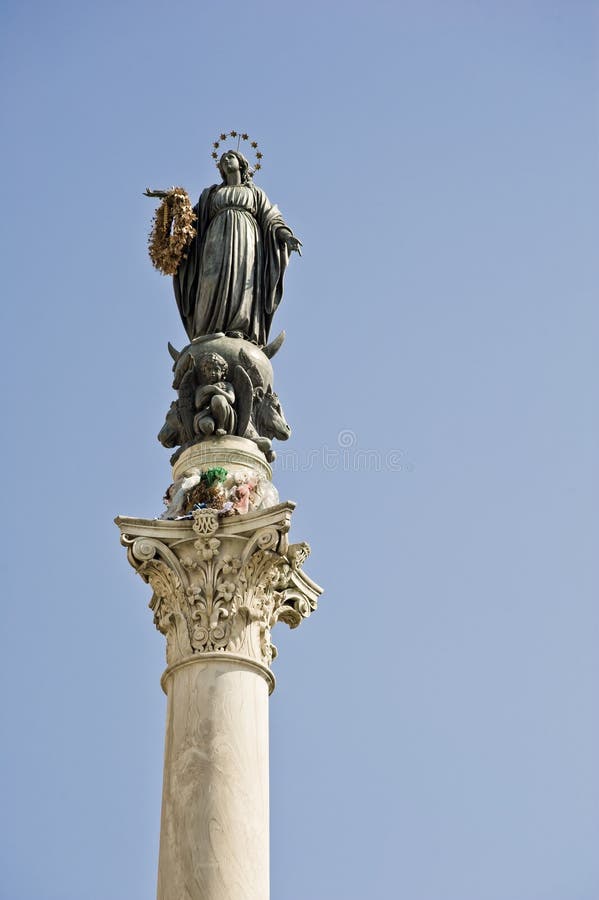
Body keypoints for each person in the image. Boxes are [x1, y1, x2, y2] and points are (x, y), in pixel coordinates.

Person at [147, 150, 301, 346]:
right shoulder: (211, 194)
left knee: (242, 280)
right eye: (222, 160)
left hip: (247, 239)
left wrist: (286, 236)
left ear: (241, 163)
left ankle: (239, 328)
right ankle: (209, 328)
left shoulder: (254, 192)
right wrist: (174, 200)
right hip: (214, 239)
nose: (226, 161)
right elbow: (191, 222)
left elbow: (271, 218)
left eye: (230, 157)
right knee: (210, 279)